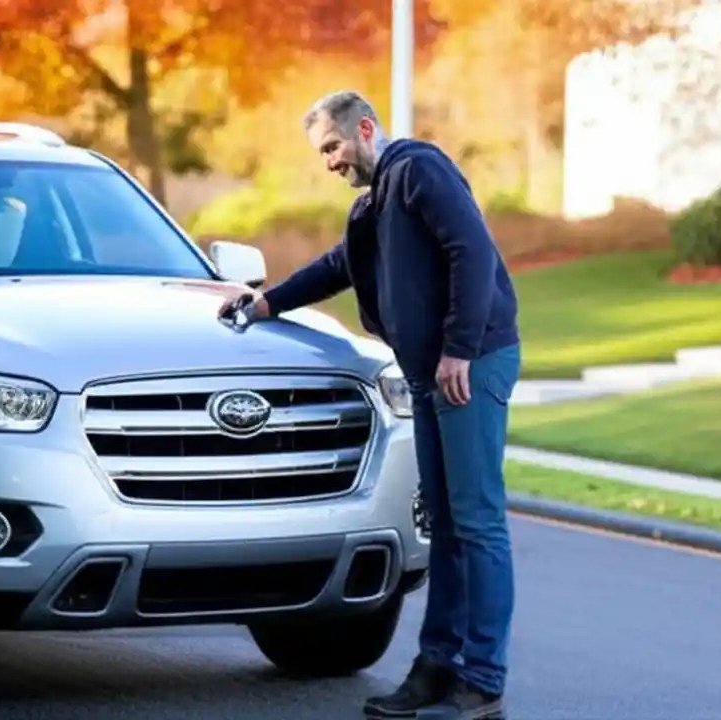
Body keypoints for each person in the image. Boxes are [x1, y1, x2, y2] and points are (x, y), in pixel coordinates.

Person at [216, 91, 521, 720]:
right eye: (321, 153)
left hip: (469, 365)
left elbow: (473, 250)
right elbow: (340, 266)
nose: (329, 162)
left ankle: (482, 680)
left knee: (479, 521)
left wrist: (460, 349)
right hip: (429, 374)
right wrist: (263, 302)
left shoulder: (417, 169)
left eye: (332, 147)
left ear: (364, 129)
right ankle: (438, 666)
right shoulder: (372, 206)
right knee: (447, 525)